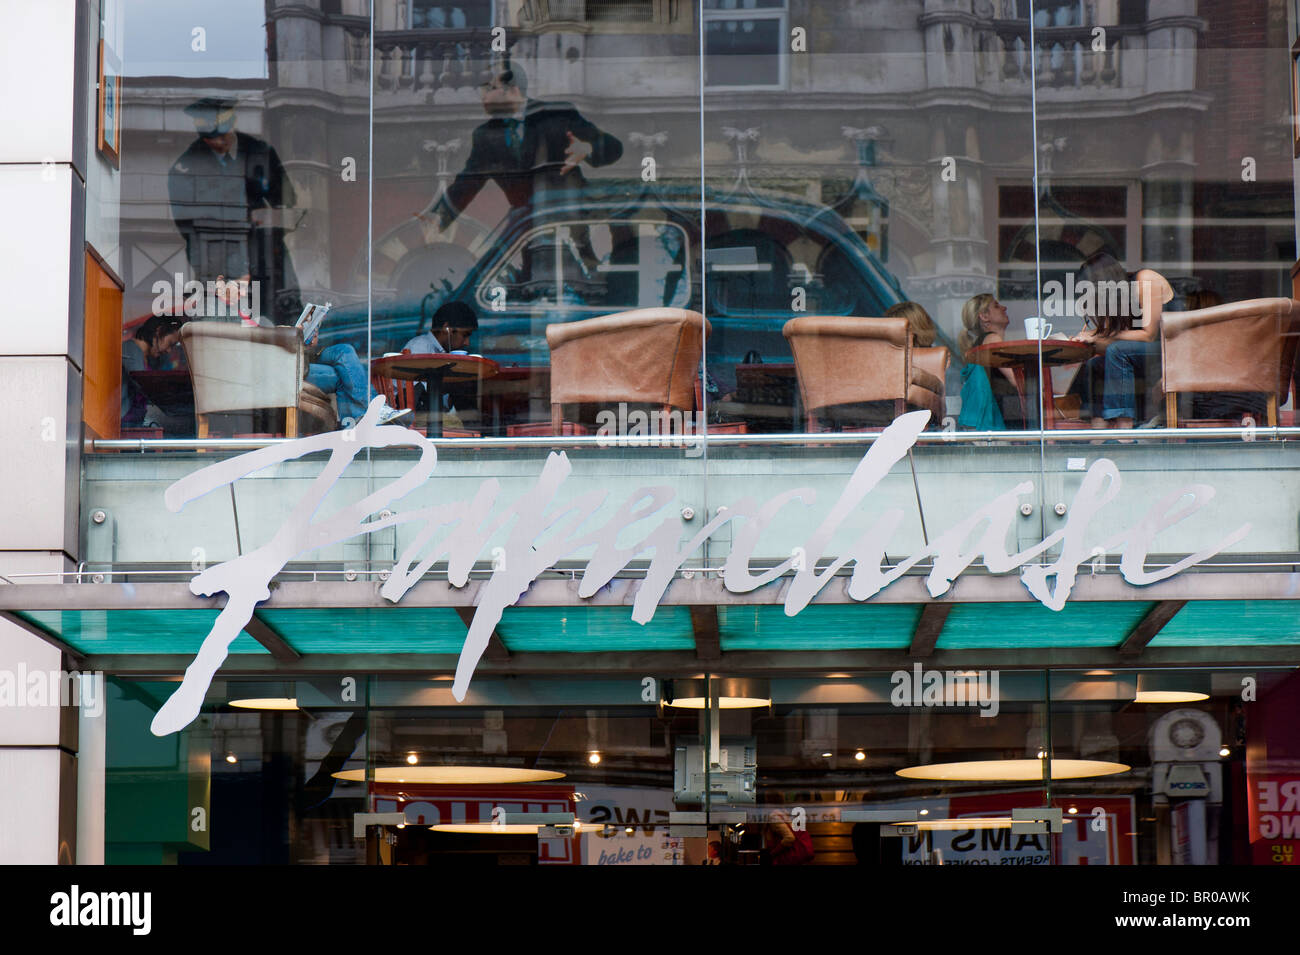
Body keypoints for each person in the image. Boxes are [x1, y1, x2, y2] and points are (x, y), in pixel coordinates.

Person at [421, 60, 623, 229]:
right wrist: (436, 219)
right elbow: (467, 183)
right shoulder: (485, 135)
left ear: (514, 90)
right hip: (526, 229)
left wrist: (587, 149)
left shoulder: (557, 115)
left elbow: (614, 148)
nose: (483, 96)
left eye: (489, 88)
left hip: (567, 224)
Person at [168, 97, 302, 325]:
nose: (219, 143)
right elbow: (187, 227)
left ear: (233, 123)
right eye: (212, 139)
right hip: (218, 260)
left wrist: (265, 212)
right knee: (223, 324)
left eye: (223, 135)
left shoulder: (259, 152)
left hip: (263, 255)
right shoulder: (186, 167)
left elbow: (287, 200)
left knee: (276, 319)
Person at [1068, 252, 1173, 430]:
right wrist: (1088, 343)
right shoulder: (1121, 301)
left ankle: (1124, 430)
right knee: (1094, 364)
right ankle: (1098, 429)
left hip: (1176, 350)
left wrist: (1098, 336)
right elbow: (1123, 341)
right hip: (1150, 354)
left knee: (1118, 350)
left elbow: (1148, 335)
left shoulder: (1144, 279)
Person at [957, 293, 1024, 430]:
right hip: (997, 422)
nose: (1004, 308)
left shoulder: (980, 343)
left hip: (987, 422)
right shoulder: (992, 340)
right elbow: (1016, 381)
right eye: (997, 306)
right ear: (984, 316)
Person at [121, 317, 184, 430]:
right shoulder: (130, 349)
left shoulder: (145, 357)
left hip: (133, 423)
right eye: (170, 343)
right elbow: (144, 386)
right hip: (123, 423)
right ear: (159, 331)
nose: (169, 350)